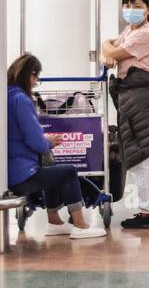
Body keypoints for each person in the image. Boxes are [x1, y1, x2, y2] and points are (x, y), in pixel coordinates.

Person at [6, 53, 106, 239]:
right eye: (36, 78)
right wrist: (48, 141)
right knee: (68, 172)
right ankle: (81, 225)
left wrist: (42, 139)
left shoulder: (7, 96)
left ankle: (54, 222)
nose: (36, 83)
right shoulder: (21, 100)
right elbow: (35, 142)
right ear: (30, 74)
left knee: (52, 169)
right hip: (21, 175)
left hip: (10, 171)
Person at [101, 0, 149, 230]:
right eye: (128, 5)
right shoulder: (131, 30)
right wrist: (107, 48)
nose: (131, 9)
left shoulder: (147, 34)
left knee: (143, 156)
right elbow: (110, 45)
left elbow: (113, 51)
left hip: (141, 97)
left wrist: (106, 50)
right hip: (135, 96)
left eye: (137, 5)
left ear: (148, 8)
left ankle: (147, 212)